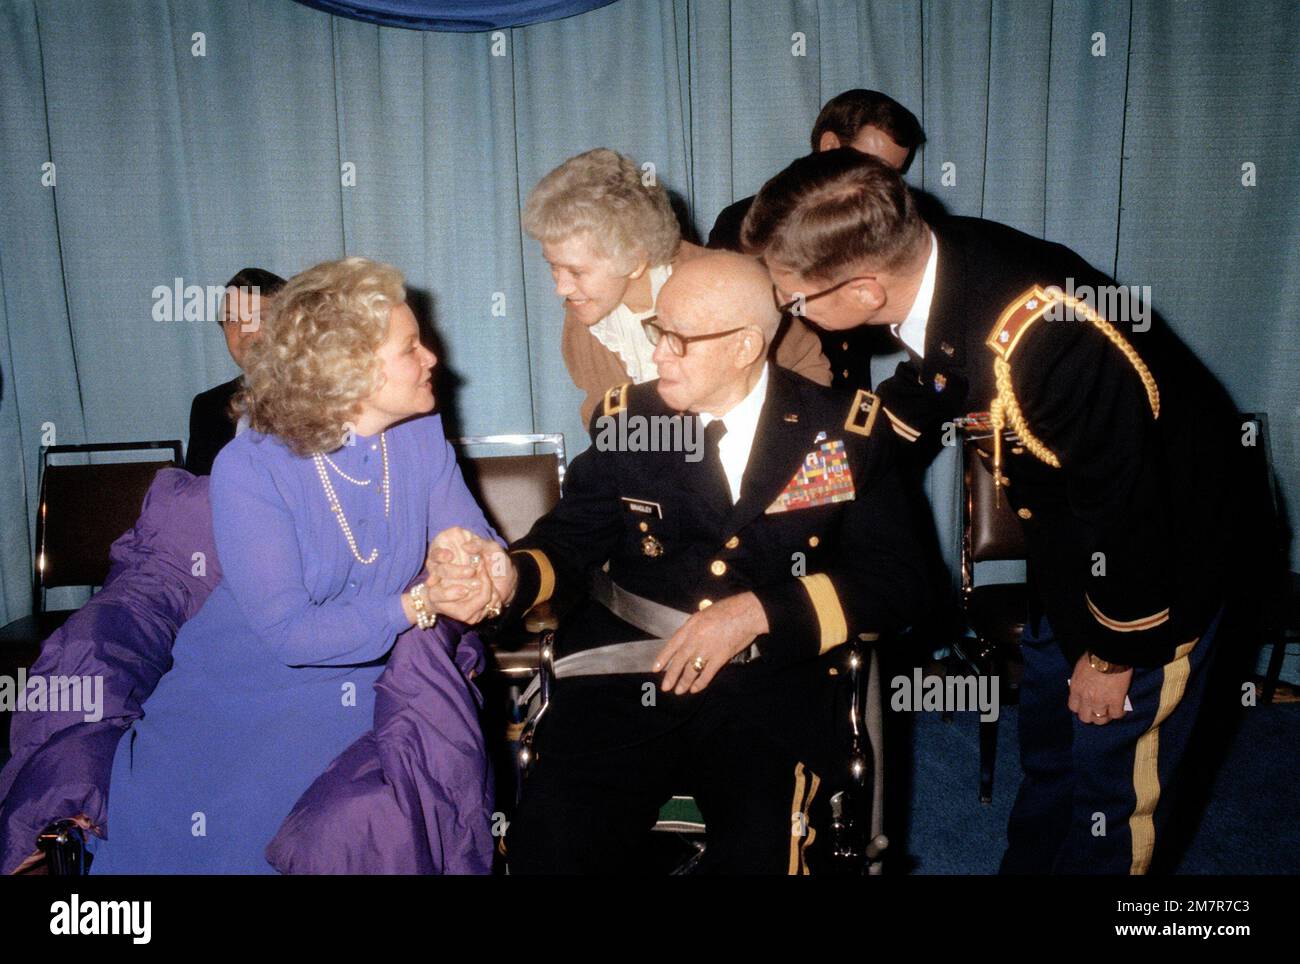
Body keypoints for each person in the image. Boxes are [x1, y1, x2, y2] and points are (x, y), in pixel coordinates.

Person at [741, 148, 1243, 874]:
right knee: (1052, 758)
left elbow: (1130, 510)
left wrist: (1112, 655)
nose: (793, 317)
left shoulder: (1046, 338)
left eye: (794, 302)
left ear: (862, 289)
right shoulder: (945, 266)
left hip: (1159, 571)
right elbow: (927, 387)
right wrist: (792, 495)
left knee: (1113, 790)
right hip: (1070, 544)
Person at [433, 251, 929, 874]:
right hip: (624, 672)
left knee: (764, 855)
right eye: (656, 331)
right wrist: (511, 575)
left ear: (746, 345)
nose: (658, 353)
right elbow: (568, 539)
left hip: (769, 684)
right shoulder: (632, 420)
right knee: (552, 846)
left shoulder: (844, 434)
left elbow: (903, 579)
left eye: (678, 339)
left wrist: (758, 613)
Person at [94, 258, 501, 873]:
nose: (432, 359)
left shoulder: (419, 436)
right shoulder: (250, 465)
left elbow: (474, 539)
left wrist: (482, 566)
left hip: (367, 685)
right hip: (244, 691)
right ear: (353, 371)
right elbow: (288, 633)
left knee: (370, 818)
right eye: (410, 347)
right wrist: (419, 604)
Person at [523, 148, 831, 425]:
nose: (561, 288)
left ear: (634, 260)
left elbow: (808, 369)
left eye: (576, 272)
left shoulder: (724, 285)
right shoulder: (585, 312)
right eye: (554, 266)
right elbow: (602, 415)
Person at [708, 89, 929, 394]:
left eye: (893, 174)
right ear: (830, 146)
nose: (885, 186)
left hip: (850, 396)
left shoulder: (886, 223)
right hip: (783, 396)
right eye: (873, 167)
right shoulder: (748, 223)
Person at [185, 267, 285, 476]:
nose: (243, 331)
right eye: (232, 320)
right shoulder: (207, 408)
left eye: (258, 317)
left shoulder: (323, 400)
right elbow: (196, 497)